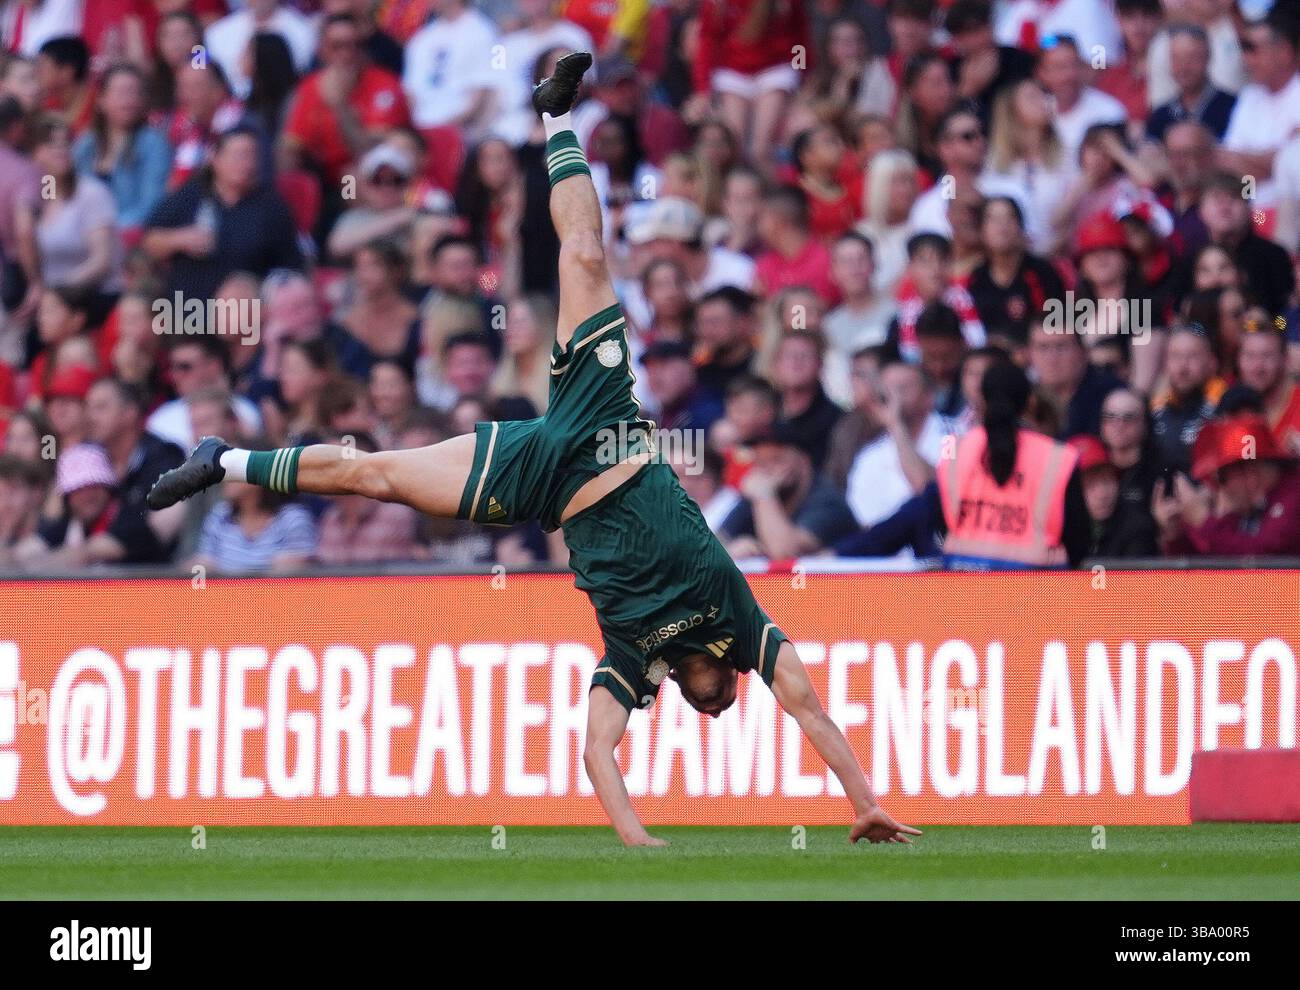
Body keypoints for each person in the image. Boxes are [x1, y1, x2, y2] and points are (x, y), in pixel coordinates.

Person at [148, 52, 919, 849]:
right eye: (731, 694)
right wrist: (861, 797)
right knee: (585, 251)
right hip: (606, 425)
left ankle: (223, 461)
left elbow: (595, 753)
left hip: (540, 484)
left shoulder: (633, 660)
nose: (728, 698)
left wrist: (634, 836)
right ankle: (556, 113)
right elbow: (806, 703)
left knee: (374, 475)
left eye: (719, 702)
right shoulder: (737, 617)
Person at [937, 359, 1089, 569]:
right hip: (1037, 587)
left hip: (964, 582)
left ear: (981, 399)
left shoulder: (952, 447)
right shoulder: (1058, 456)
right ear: (1030, 402)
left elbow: (939, 519)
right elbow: (1079, 536)